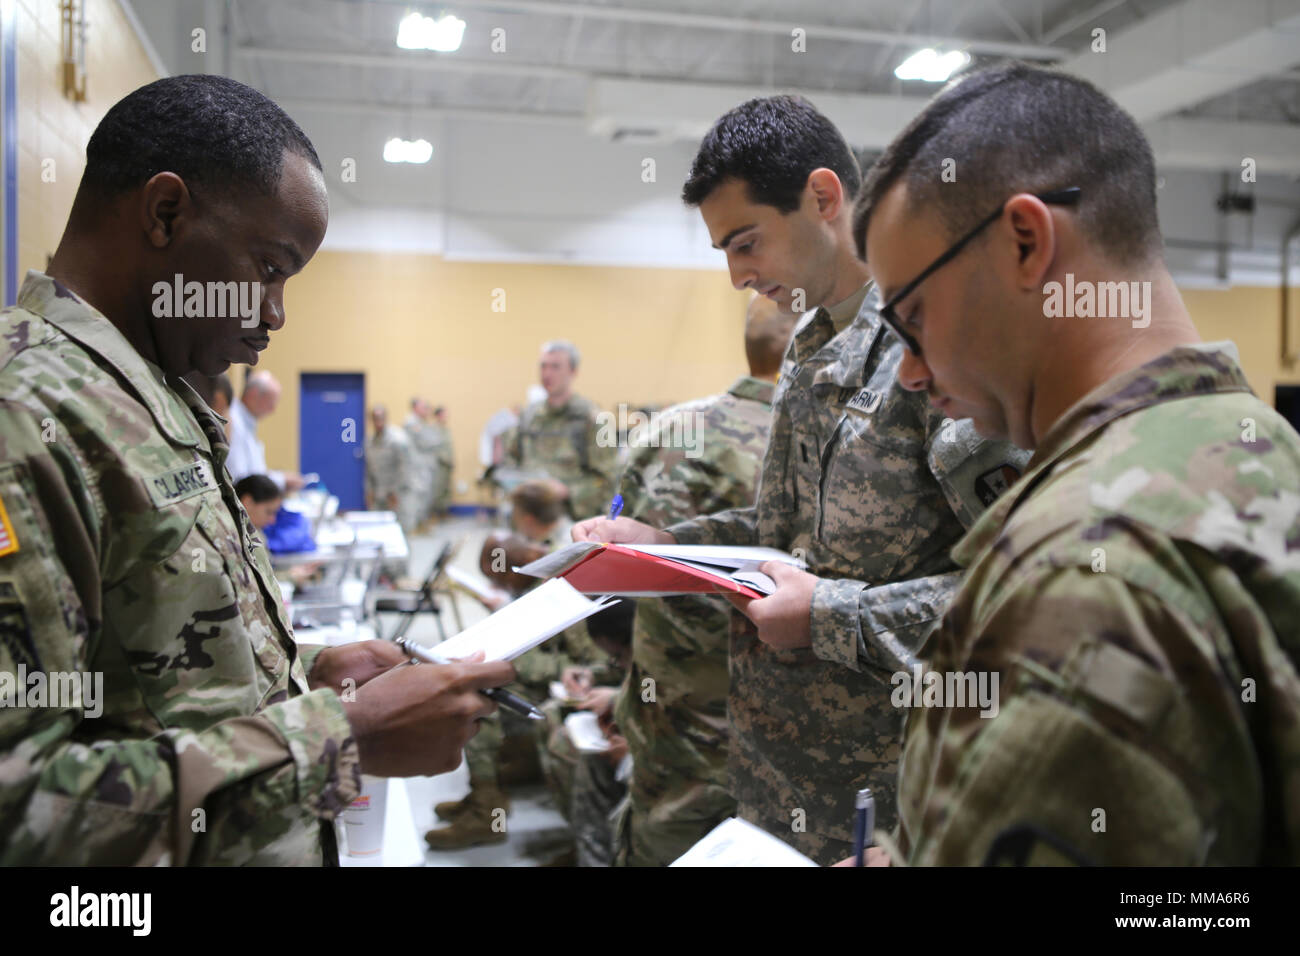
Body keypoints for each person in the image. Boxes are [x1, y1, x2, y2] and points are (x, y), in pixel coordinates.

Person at [0, 74, 513, 865]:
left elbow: (141, 683)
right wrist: (342, 734)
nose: (274, 314)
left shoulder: (150, 396)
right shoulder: (25, 417)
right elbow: (23, 809)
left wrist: (305, 673)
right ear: (166, 213)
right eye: (270, 268)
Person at [853, 62, 1300, 866]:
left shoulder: (1084, 570)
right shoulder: (1265, 447)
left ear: (1026, 241)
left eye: (912, 317)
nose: (911, 372)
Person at [574, 95, 1029, 864]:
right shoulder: (813, 343)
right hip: (778, 783)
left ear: (823, 198)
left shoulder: (933, 349)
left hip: (884, 804)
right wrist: (661, 545)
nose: (735, 275)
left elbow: (1019, 594)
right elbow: (793, 535)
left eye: (745, 241)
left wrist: (831, 615)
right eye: (722, 249)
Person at [602, 293, 795, 866]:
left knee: (659, 843)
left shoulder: (662, 430)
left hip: (668, 711)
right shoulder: (809, 446)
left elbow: (612, 552)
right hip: (773, 721)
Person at [426, 481, 621, 851]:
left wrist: (518, 658)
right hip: (558, 673)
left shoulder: (570, 583)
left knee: (475, 699)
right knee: (472, 683)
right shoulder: (548, 577)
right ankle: (483, 796)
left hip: (576, 682)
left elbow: (592, 661)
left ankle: (487, 814)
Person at [502, 341, 618, 520]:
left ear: (573, 371)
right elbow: (510, 461)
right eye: (543, 366)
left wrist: (567, 491)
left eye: (555, 367)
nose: (547, 373)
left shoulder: (593, 420)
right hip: (529, 520)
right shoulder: (528, 417)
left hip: (572, 522)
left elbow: (608, 480)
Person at [226, 370, 306, 491]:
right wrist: (281, 480)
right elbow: (239, 477)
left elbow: (255, 470)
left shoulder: (247, 422)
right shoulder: (234, 421)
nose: (273, 410)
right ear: (253, 395)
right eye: (270, 403)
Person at [366, 403, 419, 532]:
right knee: (378, 531)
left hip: (397, 494)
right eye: (375, 419)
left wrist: (395, 491)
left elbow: (405, 468)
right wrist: (370, 490)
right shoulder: (369, 442)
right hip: (380, 493)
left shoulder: (397, 440)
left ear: (386, 418)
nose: (378, 422)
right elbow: (368, 470)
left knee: (399, 531)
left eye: (381, 418)